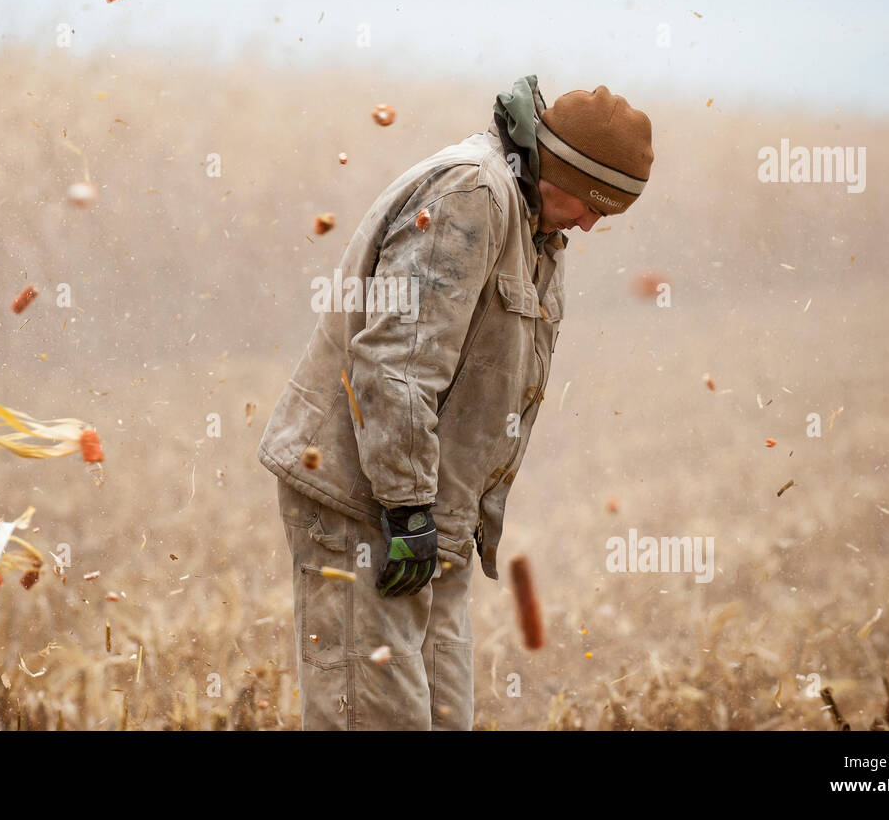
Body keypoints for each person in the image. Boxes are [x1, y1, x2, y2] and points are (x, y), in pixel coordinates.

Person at [257, 75, 654, 729]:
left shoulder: (535, 226)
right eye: (592, 204)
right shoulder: (471, 193)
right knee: (373, 717)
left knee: (440, 717)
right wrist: (407, 508)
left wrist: (442, 520)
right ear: (559, 168)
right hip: (370, 504)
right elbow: (398, 359)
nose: (589, 224)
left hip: (432, 519)